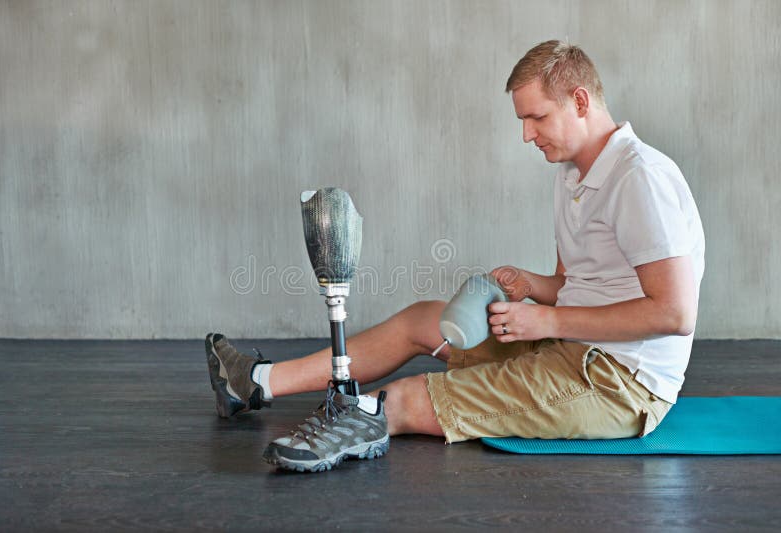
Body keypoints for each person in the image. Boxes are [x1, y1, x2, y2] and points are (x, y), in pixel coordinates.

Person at [204, 40, 705, 472]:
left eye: (536, 117)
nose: (526, 134)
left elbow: (674, 314)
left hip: (617, 382)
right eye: (522, 119)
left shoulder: (639, 178)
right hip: (573, 346)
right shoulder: (572, 174)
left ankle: (346, 426)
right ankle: (255, 382)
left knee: (402, 399)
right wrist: (531, 287)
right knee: (424, 320)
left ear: (579, 100)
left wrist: (546, 321)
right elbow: (578, 284)